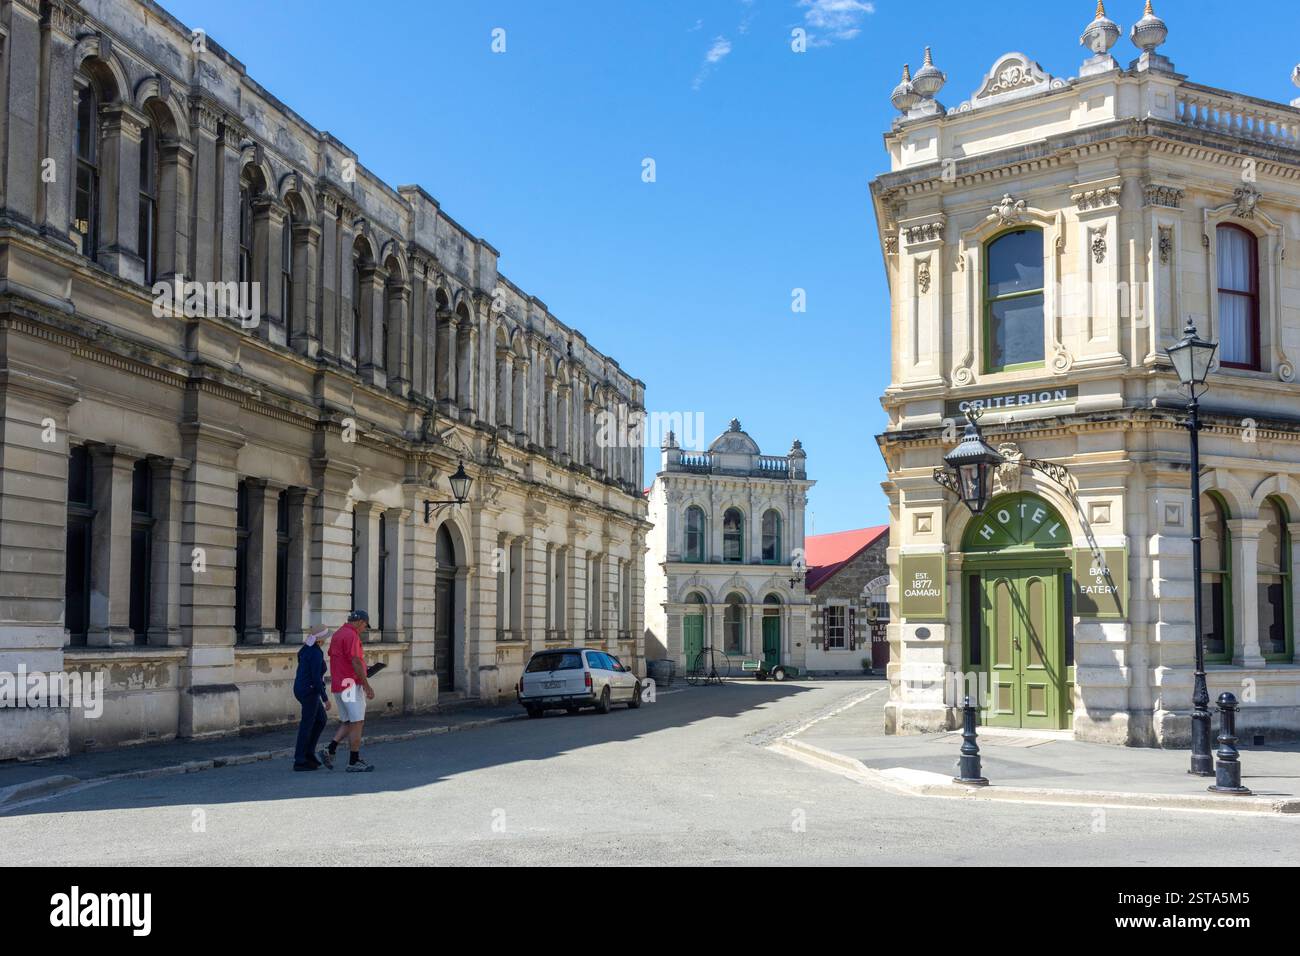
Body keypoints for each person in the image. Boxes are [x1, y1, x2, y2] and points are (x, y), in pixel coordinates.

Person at [322, 610, 375, 772]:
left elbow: (341, 658)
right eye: (365, 626)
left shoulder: (338, 634)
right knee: (358, 722)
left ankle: (330, 749)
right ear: (360, 622)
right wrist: (366, 685)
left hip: (340, 683)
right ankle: (354, 760)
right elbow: (356, 662)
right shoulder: (352, 636)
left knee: (348, 721)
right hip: (351, 684)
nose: (364, 629)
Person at [292, 627, 331, 771]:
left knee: (321, 720)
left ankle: (308, 753)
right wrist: (325, 698)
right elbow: (316, 677)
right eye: (326, 637)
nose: (327, 639)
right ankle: (300, 760)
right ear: (320, 639)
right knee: (307, 724)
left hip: (302, 688)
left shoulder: (306, 648)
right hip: (309, 691)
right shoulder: (315, 652)